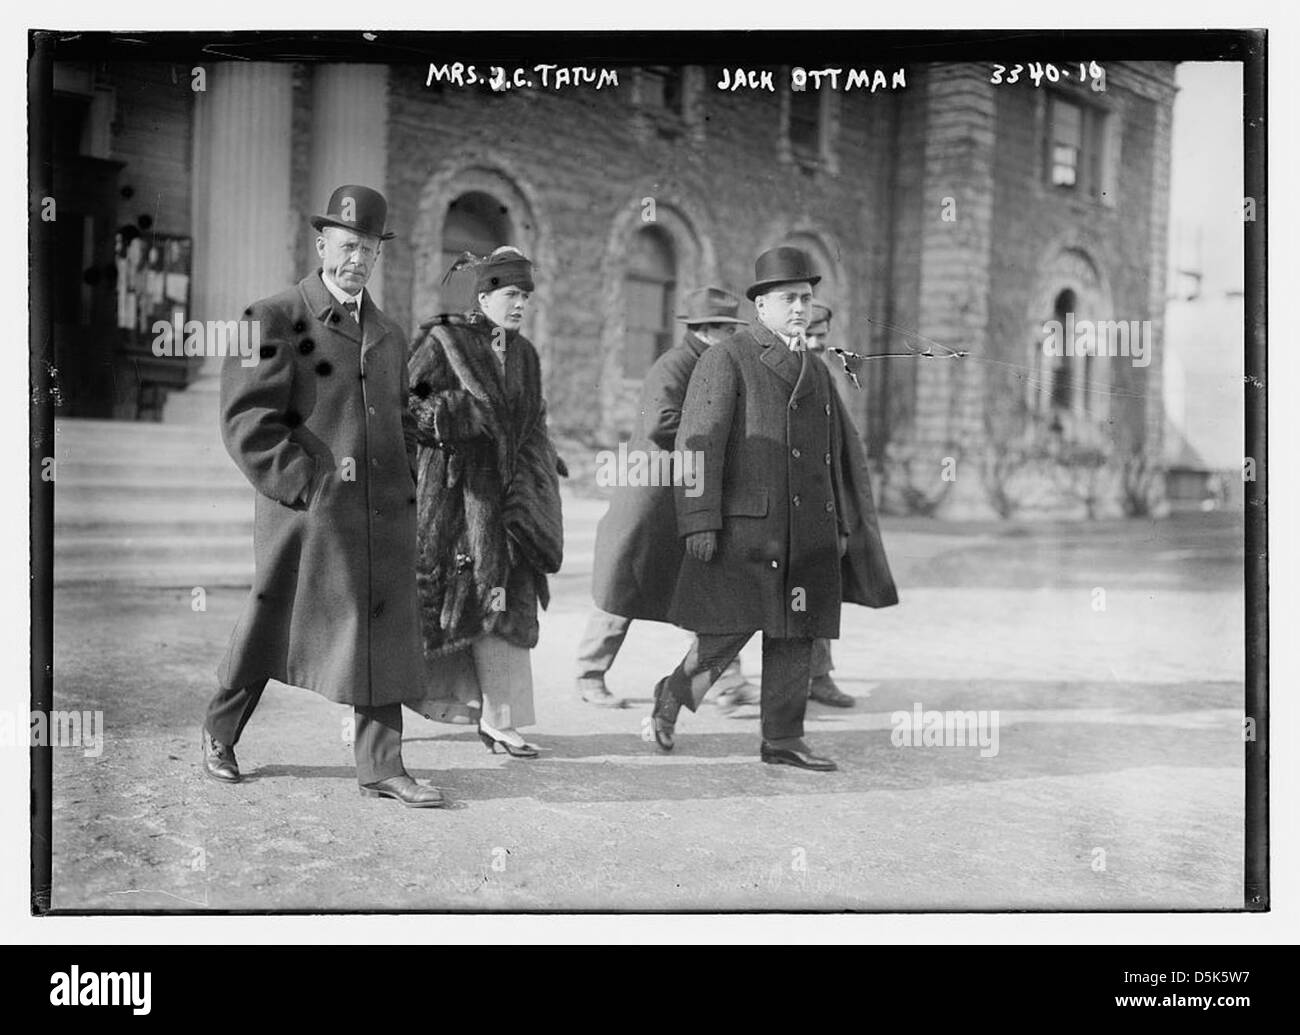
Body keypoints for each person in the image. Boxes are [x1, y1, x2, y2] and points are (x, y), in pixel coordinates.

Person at [202, 184, 446, 808]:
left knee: (381, 630)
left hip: (379, 512)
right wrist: (305, 485)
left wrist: (418, 453)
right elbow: (247, 421)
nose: (358, 258)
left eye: (368, 247)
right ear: (321, 245)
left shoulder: (388, 333)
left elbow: (391, 416)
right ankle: (220, 732)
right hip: (304, 514)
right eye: (347, 244)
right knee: (271, 625)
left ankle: (381, 768)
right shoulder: (276, 317)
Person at [647, 246, 899, 770]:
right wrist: (699, 519)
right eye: (789, 298)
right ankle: (672, 696)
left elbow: (834, 456)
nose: (801, 308)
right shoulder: (728, 357)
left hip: (807, 531)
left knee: (796, 636)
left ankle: (783, 741)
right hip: (747, 530)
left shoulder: (816, 368)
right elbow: (697, 444)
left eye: (807, 298)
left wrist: (842, 527)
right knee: (723, 634)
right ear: (760, 304)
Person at [406, 246, 564, 759]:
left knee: (507, 607)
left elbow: (534, 422)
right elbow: (405, 406)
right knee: (450, 609)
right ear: (483, 296)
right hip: (455, 502)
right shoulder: (442, 342)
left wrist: (540, 477)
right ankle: (399, 711)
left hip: (510, 503)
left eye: (526, 296)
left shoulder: (526, 355)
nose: (520, 304)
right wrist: (453, 415)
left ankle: (502, 721)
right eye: (511, 294)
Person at [580, 286, 758, 710]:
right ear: (708, 330)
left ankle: (725, 681)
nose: (734, 337)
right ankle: (589, 673)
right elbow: (660, 422)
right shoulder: (675, 365)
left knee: (709, 586)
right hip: (652, 496)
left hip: (689, 493)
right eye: (728, 329)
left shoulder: (714, 364)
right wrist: (718, 430)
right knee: (622, 586)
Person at [799, 302, 857, 709]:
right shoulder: (776, 371)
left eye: (823, 337)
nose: (818, 344)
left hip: (817, 505)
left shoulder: (824, 375)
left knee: (818, 593)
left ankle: (819, 676)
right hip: (778, 508)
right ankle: (717, 682)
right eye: (811, 336)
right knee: (744, 607)